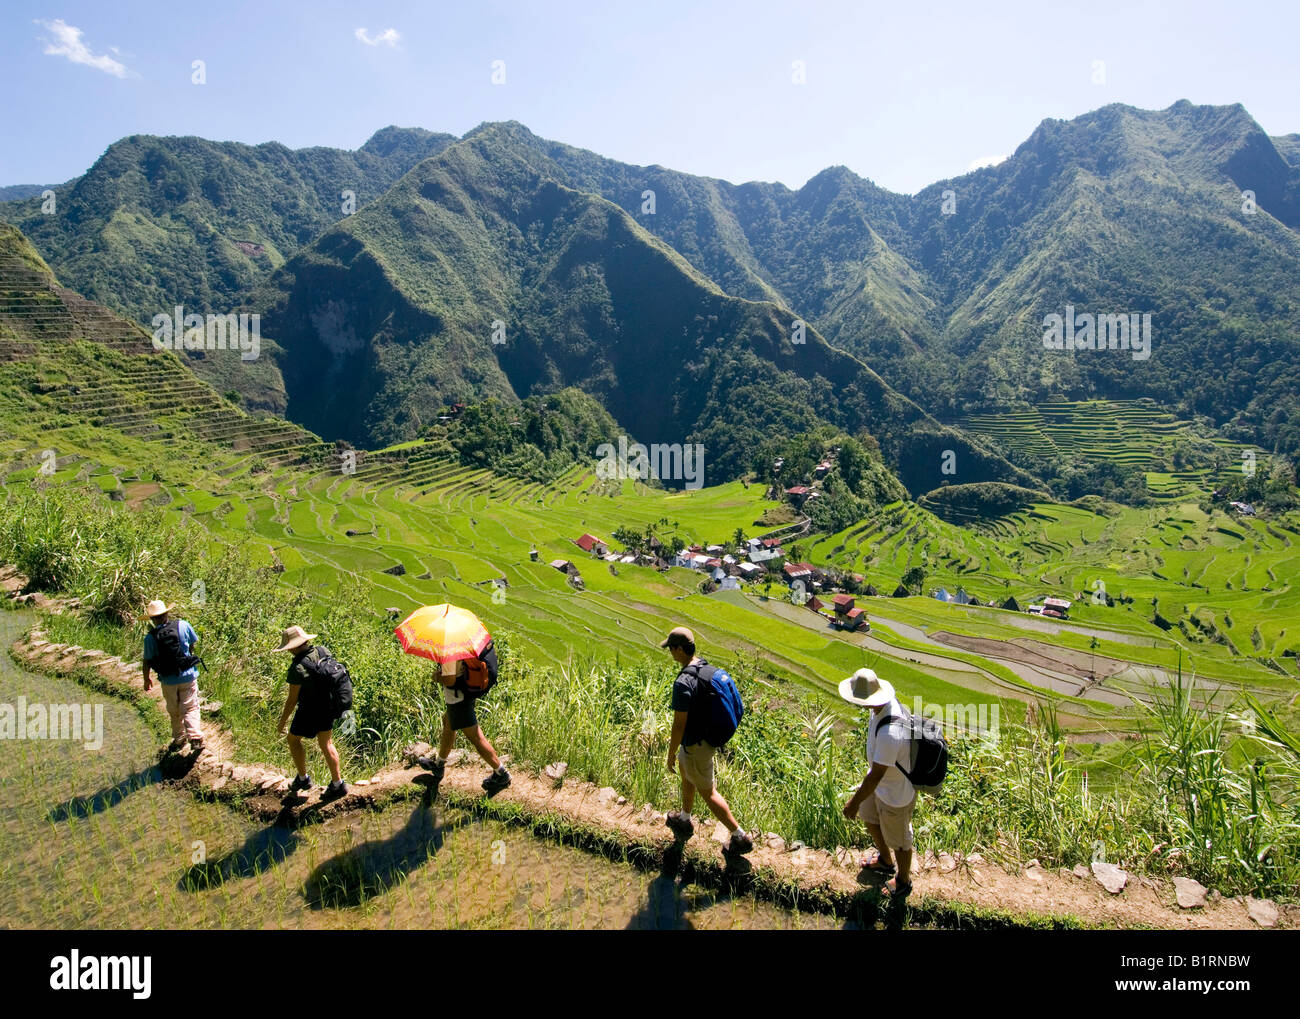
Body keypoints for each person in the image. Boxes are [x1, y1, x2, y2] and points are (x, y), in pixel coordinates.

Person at [660, 626, 753, 854]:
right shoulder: (705, 667)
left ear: (680, 649)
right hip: (702, 741)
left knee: (708, 791)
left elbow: (679, 724)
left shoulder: (683, 683)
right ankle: (684, 818)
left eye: (671, 648)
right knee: (686, 774)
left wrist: (670, 753)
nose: (670, 653)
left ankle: (739, 836)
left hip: (696, 744)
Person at [840, 668, 915, 896]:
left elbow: (876, 775)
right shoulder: (881, 706)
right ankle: (884, 860)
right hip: (880, 784)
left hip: (894, 793)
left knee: (900, 840)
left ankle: (903, 881)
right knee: (869, 815)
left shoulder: (890, 732)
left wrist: (853, 802)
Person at [422, 647, 510, 797]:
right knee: (448, 722)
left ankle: (501, 774)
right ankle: (439, 764)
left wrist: (436, 677)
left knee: (475, 736)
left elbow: (449, 679)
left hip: (458, 698)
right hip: (464, 692)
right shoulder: (461, 642)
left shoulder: (449, 649)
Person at [273, 625, 347, 801]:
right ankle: (338, 784)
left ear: (292, 646)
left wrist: (282, 722)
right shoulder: (322, 651)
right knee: (326, 743)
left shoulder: (297, 668)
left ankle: (303, 778)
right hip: (328, 707)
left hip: (309, 710)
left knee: (293, 739)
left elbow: (292, 700)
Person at [141, 599, 204, 753]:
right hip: (187, 675)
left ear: (151, 619)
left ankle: (179, 738)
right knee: (190, 707)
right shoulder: (183, 625)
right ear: (167, 613)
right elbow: (193, 643)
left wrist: (146, 679)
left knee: (173, 709)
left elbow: (147, 661)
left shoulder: (150, 638)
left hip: (168, 679)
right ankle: (195, 738)